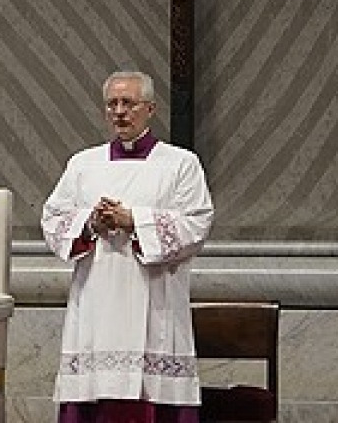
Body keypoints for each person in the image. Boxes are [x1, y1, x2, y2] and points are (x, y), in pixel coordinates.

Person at [42, 71, 214, 423]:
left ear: (149, 108)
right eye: (112, 104)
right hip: (96, 299)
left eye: (128, 103)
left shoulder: (181, 164)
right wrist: (92, 223)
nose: (120, 111)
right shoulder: (83, 164)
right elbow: (53, 218)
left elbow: (195, 222)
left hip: (155, 302)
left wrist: (133, 220)